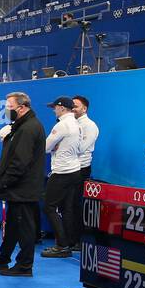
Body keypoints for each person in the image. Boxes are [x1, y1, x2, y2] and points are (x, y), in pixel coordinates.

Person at [0, 92, 46, 277]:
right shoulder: (21, 127)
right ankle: (3, 259)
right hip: (18, 187)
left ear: (21, 108)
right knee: (13, 226)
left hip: (23, 187)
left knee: (24, 228)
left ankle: (24, 266)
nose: (6, 110)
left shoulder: (29, 128)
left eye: (10, 107)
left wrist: (5, 183)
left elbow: (20, 162)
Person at [41, 96, 83, 258]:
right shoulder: (76, 125)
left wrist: (53, 148)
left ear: (62, 108)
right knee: (66, 208)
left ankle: (62, 245)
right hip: (74, 170)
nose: (53, 110)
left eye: (55, 107)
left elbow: (45, 147)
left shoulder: (63, 125)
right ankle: (68, 243)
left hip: (62, 171)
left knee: (49, 207)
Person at [71, 95, 99, 248]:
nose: (73, 108)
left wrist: (64, 144)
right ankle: (70, 237)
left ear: (84, 108)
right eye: (72, 106)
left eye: (76, 106)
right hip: (69, 167)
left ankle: (78, 240)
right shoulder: (70, 124)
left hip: (81, 168)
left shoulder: (90, 125)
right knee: (67, 204)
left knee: (76, 204)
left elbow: (81, 148)